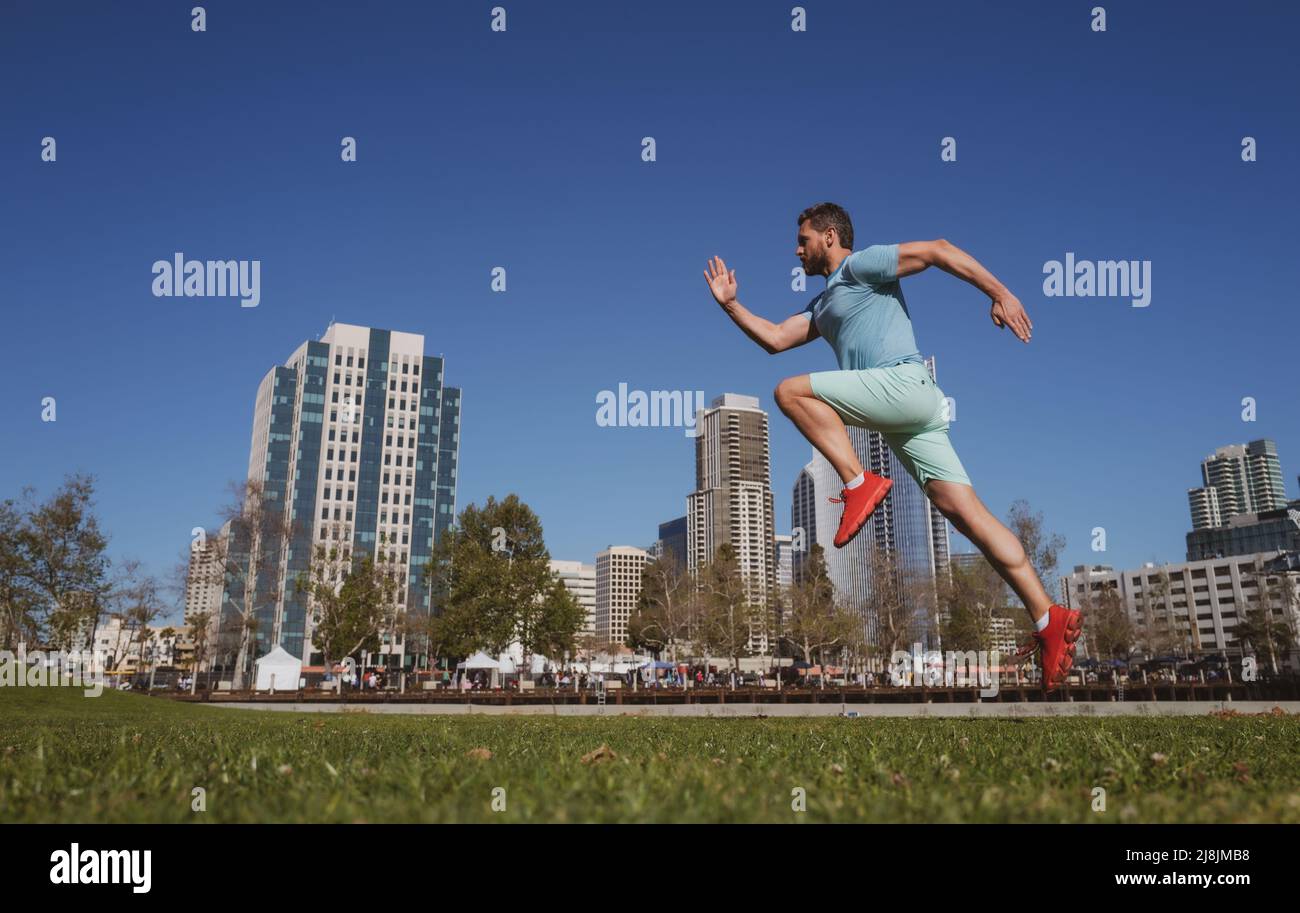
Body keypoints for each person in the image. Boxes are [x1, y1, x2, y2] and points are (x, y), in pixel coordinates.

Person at [704, 202, 1081, 690]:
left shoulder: (861, 266)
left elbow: (938, 250)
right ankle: (1048, 616)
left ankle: (858, 482)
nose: (796, 251)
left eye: (803, 240)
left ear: (830, 236)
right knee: (965, 514)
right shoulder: (822, 305)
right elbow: (776, 338)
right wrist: (730, 305)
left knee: (789, 392)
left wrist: (1000, 293)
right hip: (911, 415)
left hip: (903, 384)